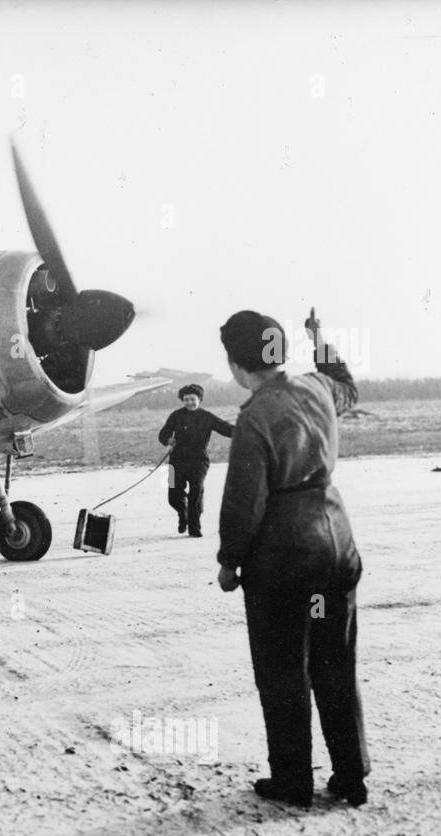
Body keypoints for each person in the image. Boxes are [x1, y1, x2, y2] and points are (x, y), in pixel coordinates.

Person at [215, 308, 368, 808]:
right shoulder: (318, 389)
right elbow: (346, 382)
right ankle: (350, 775)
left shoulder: (256, 415)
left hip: (284, 563)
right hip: (335, 548)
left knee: (283, 671)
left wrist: (230, 560)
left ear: (237, 367)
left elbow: (244, 500)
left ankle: (293, 781)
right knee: (334, 662)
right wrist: (320, 339)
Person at [157, 384, 234, 537]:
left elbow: (226, 429)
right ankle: (182, 513)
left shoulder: (207, 416)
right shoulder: (176, 415)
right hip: (175, 461)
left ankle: (194, 528)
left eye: (193, 399)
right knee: (173, 496)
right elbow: (163, 434)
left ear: (200, 399)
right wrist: (168, 439)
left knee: (196, 493)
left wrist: (248, 430)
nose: (189, 402)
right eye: (186, 400)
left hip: (198, 461)